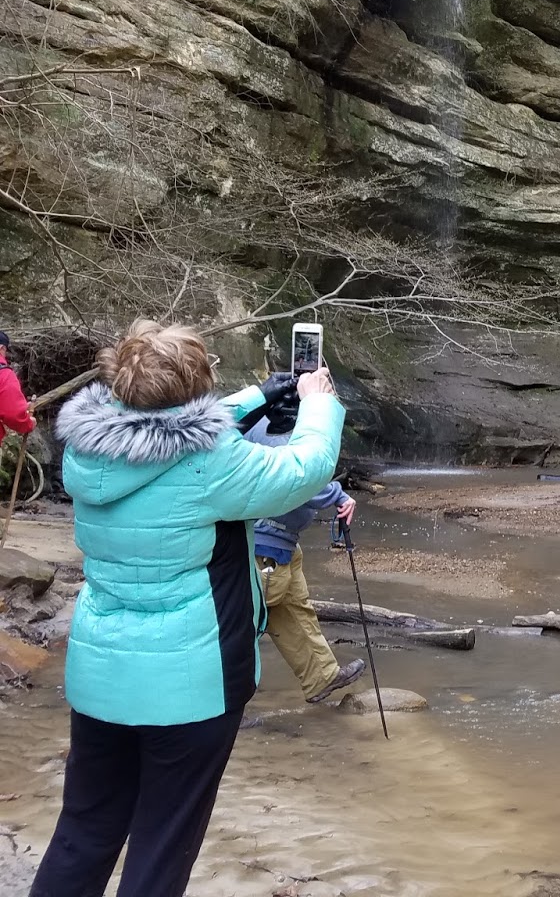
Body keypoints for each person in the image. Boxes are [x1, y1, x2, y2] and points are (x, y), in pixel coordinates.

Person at [32, 321, 344, 897]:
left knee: (85, 828)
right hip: (193, 684)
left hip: (102, 675)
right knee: (162, 843)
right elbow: (306, 469)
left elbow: (165, 430)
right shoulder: (212, 465)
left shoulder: (88, 448)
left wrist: (258, 396)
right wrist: (319, 404)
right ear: (199, 387)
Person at [240, 384, 366, 704]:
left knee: (295, 610)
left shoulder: (260, 421)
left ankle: (320, 676)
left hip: (281, 544)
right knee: (241, 624)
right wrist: (337, 494)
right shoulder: (273, 431)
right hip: (260, 546)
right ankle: (223, 706)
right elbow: (298, 476)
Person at [0, 330, 37, 436]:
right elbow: (13, 415)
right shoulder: (4, 374)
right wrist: (28, 424)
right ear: (2, 348)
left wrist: (22, 406)